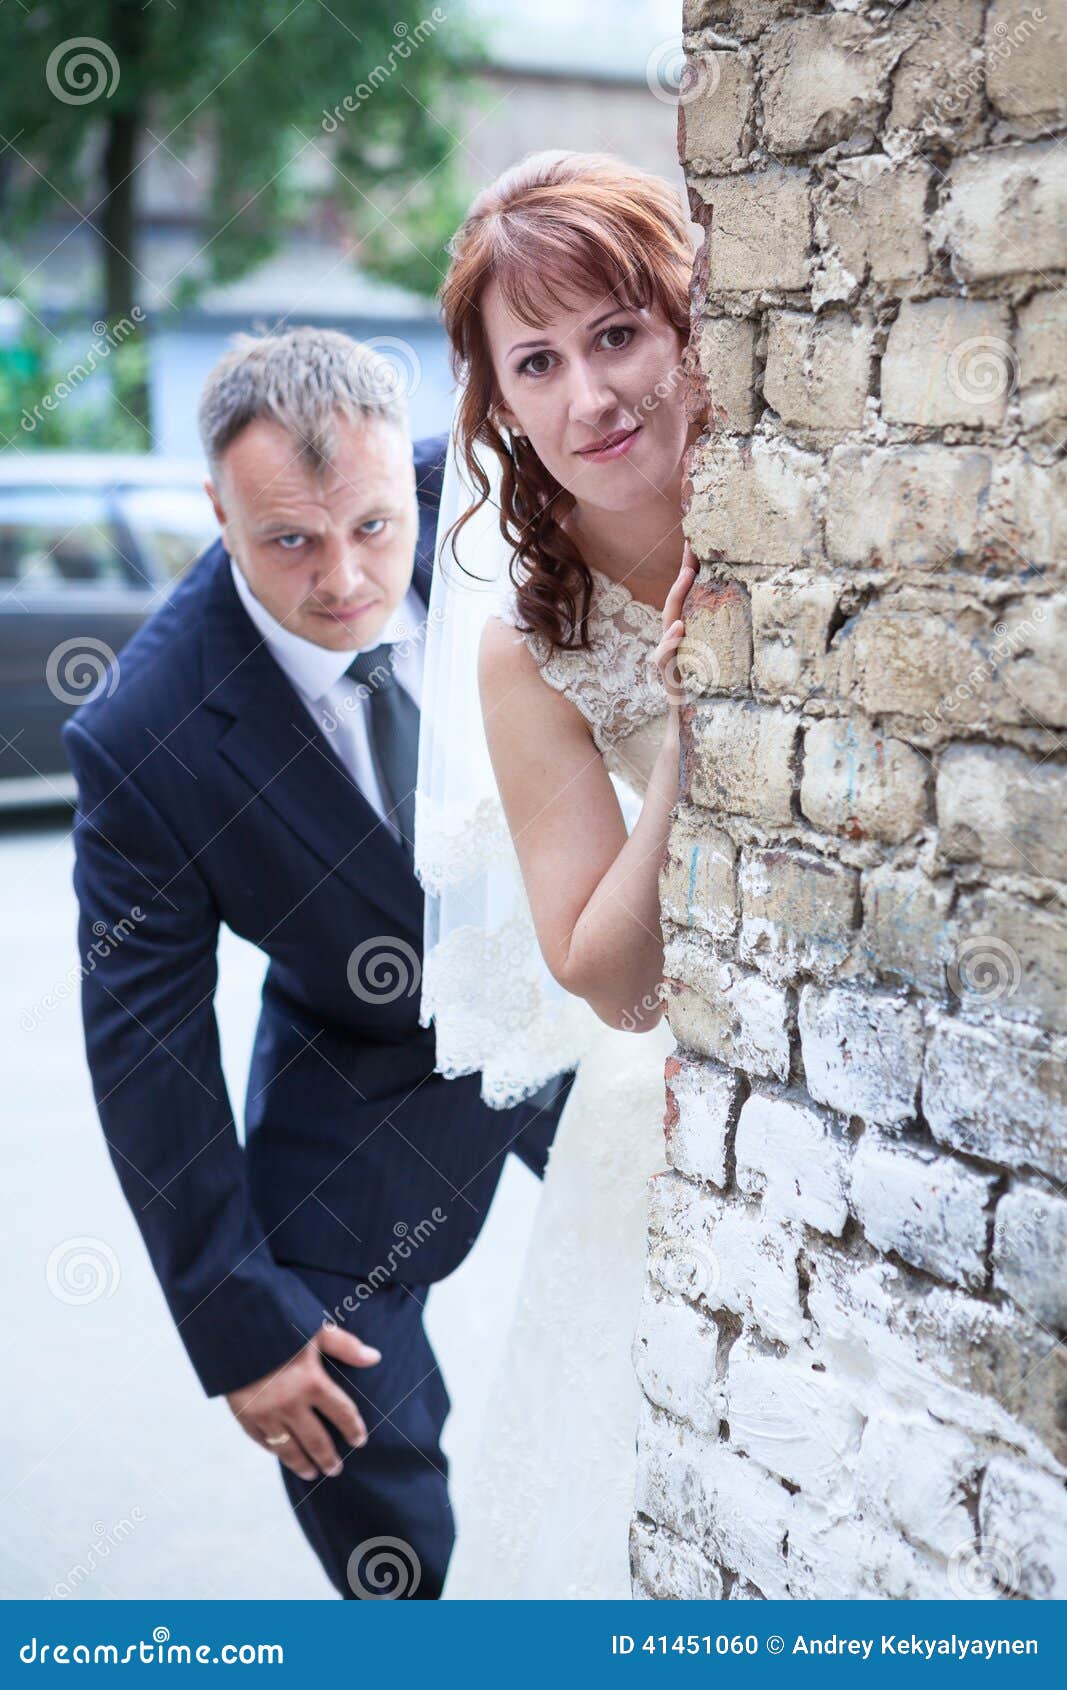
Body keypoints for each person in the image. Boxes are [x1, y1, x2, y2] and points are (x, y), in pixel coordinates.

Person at [62, 327, 570, 1601]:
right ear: (217, 513)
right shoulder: (146, 735)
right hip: (371, 1038)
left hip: (576, 968)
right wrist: (234, 1323)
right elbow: (147, 1050)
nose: (344, 577)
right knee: (329, 1382)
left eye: (371, 525)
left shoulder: (492, 496)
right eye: (289, 538)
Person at [415, 151, 697, 1598]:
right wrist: (690, 734)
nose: (590, 395)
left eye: (616, 333)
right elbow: (609, 972)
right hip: (662, 1116)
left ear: (685, 325)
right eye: (536, 361)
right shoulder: (525, 646)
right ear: (499, 407)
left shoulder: (827, 495)